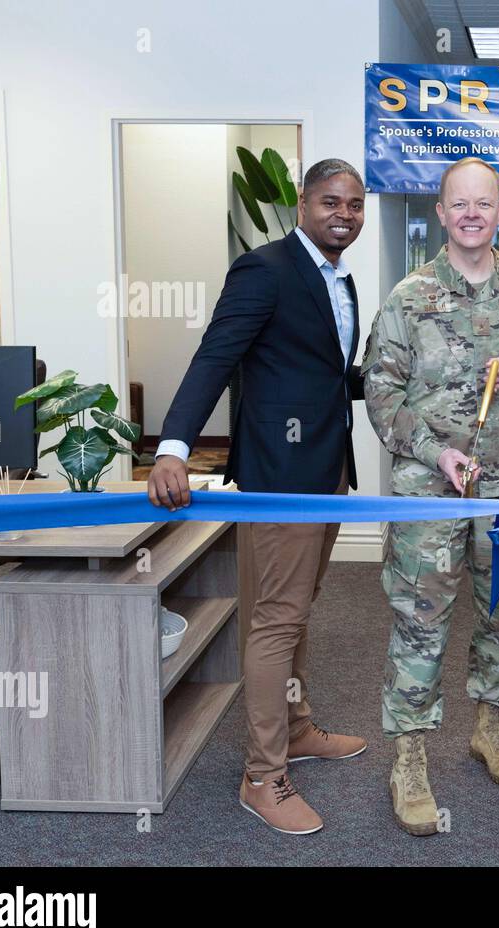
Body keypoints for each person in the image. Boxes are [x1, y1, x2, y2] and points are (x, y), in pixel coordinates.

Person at [148, 158, 370, 835]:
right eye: (331, 200)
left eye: (355, 205)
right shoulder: (265, 269)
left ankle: (296, 731)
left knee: (297, 611)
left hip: (327, 472)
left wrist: (397, 377)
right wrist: (173, 447)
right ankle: (261, 776)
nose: (344, 214)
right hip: (280, 478)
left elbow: (324, 374)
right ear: (302, 202)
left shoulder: (339, 280)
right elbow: (215, 358)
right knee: (275, 620)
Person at [363, 157, 499, 836]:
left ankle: (490, 728)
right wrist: (433, 450)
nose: (473, 213)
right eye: (460, 204)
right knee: (421, 621)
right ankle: (410, 757)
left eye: (486, 202)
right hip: (428, 490)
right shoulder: (409, 296)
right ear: (441, 214)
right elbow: (380, 392)